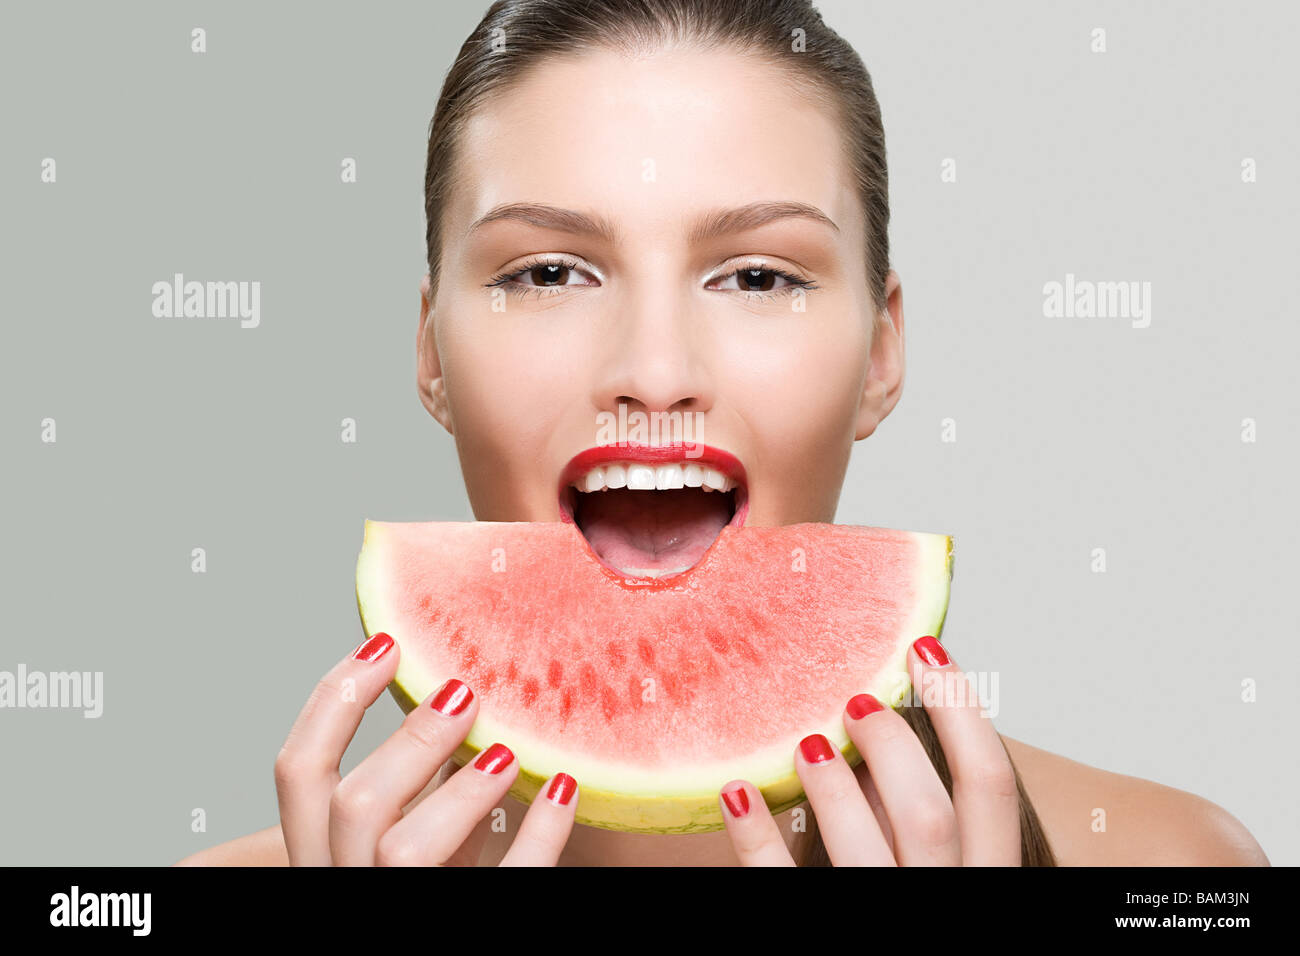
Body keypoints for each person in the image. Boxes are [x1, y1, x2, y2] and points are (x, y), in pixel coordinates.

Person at [178, 0, 1268, 866]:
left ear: (880, 353)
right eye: (547, 271)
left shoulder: (1173, 869)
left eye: (757, 275)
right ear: (430, 352)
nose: (654, 371)